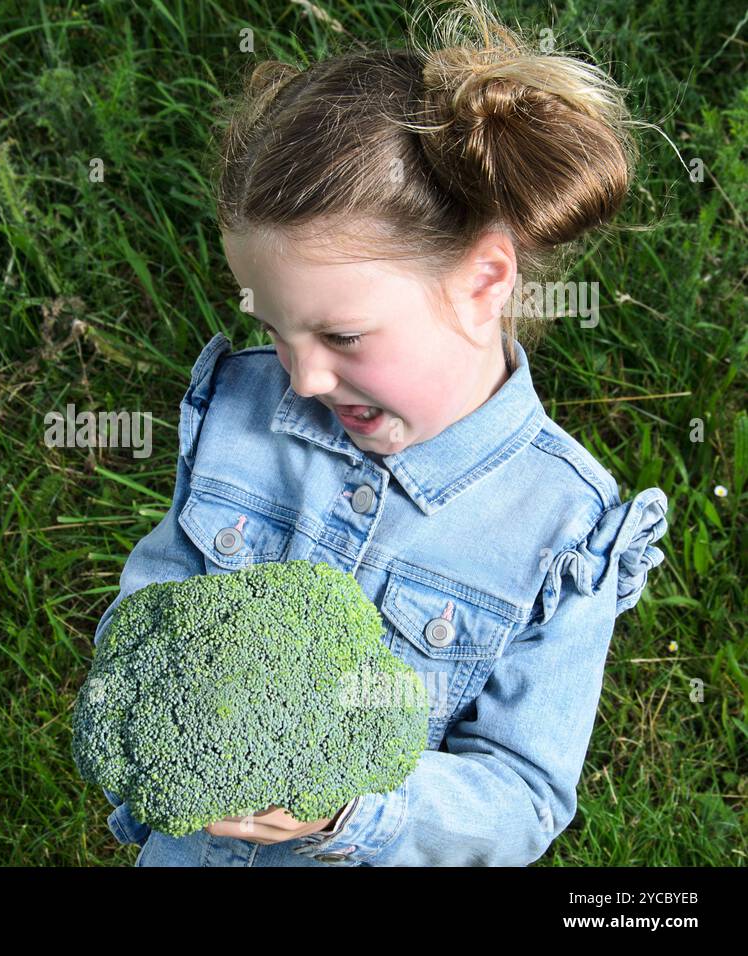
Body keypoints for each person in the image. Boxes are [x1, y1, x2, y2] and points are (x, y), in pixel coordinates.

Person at [90, 0, 670, 866]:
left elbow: (522, 796)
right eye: (278, 333)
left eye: (341, 337)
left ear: (483, 282)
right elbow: (153, 610)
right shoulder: (246, 414)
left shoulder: (560, 531)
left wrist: (351, 808)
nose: (303, 378)